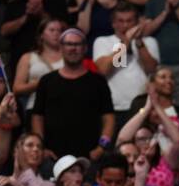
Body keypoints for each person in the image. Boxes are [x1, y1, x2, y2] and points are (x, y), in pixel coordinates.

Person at [31, 27, 116, 161]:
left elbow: (108, 117)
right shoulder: (47, 81)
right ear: (61, 47)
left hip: (90, 156)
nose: (73, 48)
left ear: (85, 48)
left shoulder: (98, 81)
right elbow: (37, 117)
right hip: (53, 156)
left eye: (77, 44)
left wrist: (101, 147)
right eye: (69, 44)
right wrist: (41, 147)